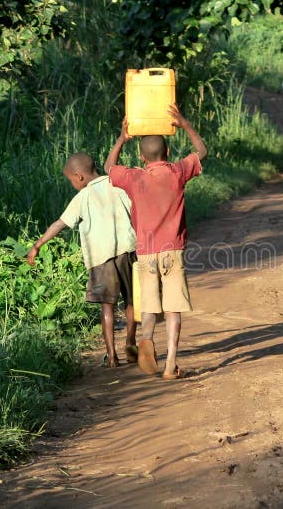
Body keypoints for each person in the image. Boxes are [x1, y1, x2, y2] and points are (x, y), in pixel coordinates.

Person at [104, 104, 208, 380]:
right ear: (168, 152)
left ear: (141, 156)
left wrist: (122, 138)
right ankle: (171, 364)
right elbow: (202, 152)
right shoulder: (177, 172)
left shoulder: (134, 177)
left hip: (146, 253)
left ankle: (147, 338)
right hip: (173, 250)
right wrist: (185, 125)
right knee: (173, 309)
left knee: (149, 305)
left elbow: (108, 168)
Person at [27, 152, 138, 368]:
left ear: (78, 177)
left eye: (71, 180)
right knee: (131, 301)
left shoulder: (83, 197)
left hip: (101, 257)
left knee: (107, 306)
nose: (73, 184)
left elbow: (60, 224)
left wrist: (37, 245)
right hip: (127, 250)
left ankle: (111, 356)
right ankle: (130, 344)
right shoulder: (118, 184)